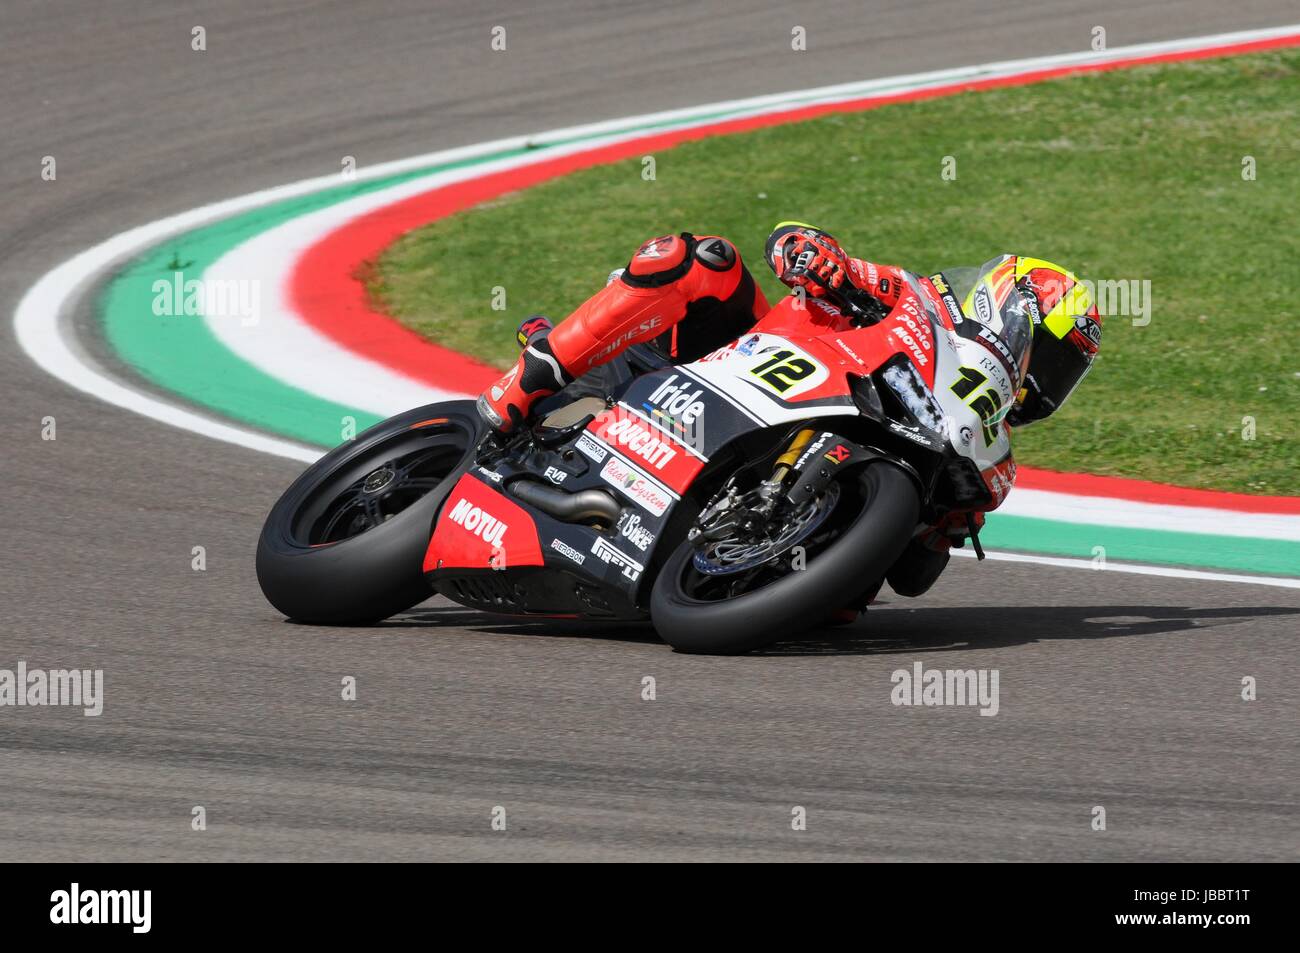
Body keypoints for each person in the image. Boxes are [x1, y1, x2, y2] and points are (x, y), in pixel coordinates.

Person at [477, 222, 1101, 599]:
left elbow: (912, 582)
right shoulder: (914, 297)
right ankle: (534, 378)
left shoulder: (989, 455)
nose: (1043, 386)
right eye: (1048, 360)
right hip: (736, 366)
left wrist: (944, 524)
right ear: (1008, 309)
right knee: (699, 259)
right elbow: (792, 241)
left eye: (1061, 376)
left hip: (769, 530)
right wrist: (813, 257)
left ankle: (738, 546)